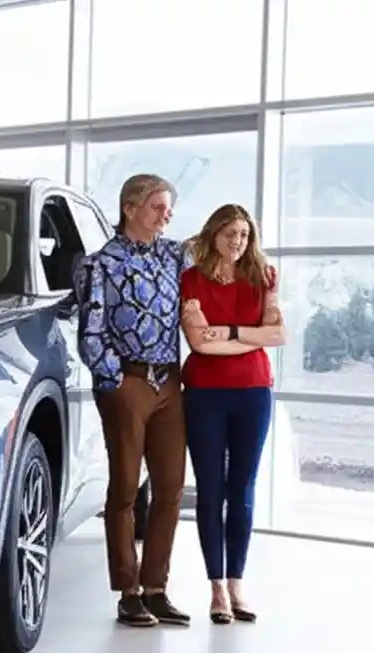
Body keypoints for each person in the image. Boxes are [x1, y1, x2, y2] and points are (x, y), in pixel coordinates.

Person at [74, 173, 191, 628]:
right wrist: (114, 379)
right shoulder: (99, 265)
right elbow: (91, 333)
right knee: (125, 489)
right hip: (127, 382)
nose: (167, 215)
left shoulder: (174, 256)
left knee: (171, 487)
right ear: (130, 209)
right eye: (158, 207)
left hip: (170, 383)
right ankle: (128, 591)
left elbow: (222, 262)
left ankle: (156, 587)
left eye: (168, 208)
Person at [178, 203, 287, 625]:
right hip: (205, 394)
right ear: (213, 236)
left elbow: (279, 334)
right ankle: (216, 588)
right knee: (210, 488)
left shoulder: (264, 277)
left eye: (243, 234)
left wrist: (230, 332)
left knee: (242, 488)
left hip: (254, 393)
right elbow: (200, 344)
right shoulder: (191, 279)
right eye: (229, 234)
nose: (237, 241)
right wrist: (252, 337)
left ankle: (238, 584)